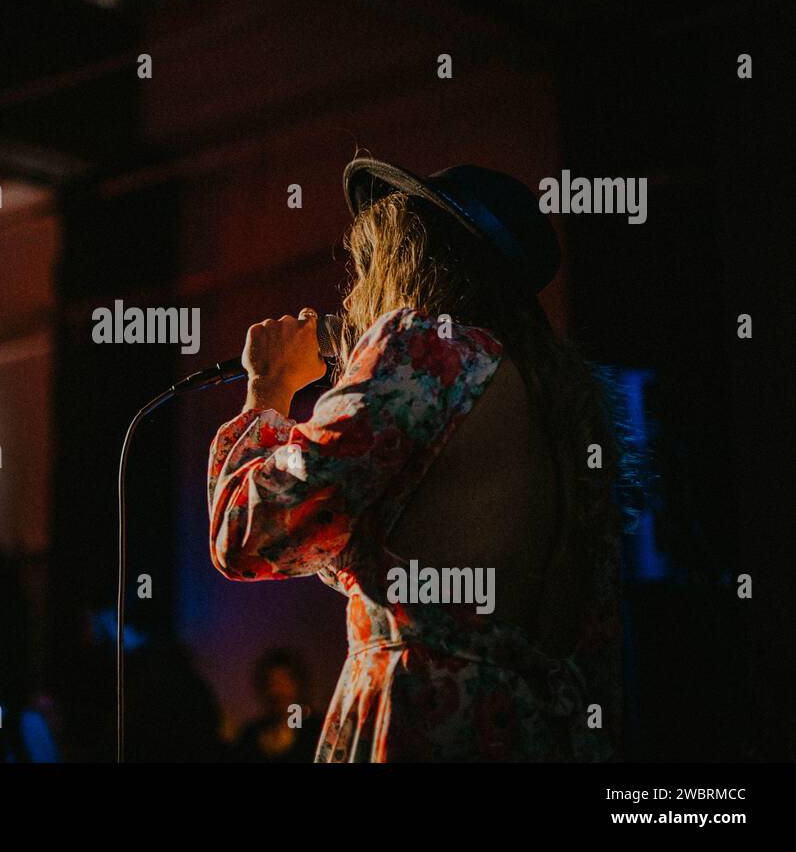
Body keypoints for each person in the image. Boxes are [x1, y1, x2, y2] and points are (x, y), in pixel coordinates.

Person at [206, 158, 624, 762]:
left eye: (370, 262)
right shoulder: (560, 401)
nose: (356, 291)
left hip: (421, 719)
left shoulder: (426, 348)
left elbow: (247, 535)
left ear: (409, 260)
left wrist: (268, 388)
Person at [232, 648, 323, 763]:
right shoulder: (251, 735)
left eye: (283, 683)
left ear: (298, 685)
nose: (276, 691)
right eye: (271, 683)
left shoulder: (315, 731)